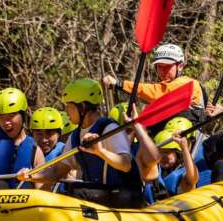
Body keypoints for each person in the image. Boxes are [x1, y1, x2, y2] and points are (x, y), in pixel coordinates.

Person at [16, 78, 144, 208]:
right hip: (99, 197)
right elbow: (56, 172)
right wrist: (31, 175)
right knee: (71, 190)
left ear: (82, 107)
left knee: (78, 193)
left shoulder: (109, 128)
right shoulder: (75, 136)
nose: (66, 111)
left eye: (69, 107)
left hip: (124, 196)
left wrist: (101, 152)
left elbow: (126, 164)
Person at [102, 43, 206, 126]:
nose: (163, 71)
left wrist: (119, 83)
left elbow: (157, 93)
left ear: (180, 66)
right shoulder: (167, 85)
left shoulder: (189, 83)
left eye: (168, 66)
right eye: (160, 66)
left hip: (187, 138)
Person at [140, 118, 199, 203]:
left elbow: (193, 178)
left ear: (178, 154)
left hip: (178, 213)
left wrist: (184, 148)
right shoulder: (153, 170)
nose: (162, 156)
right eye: (159, 152)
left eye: (167, 152)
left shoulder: (184, 176)